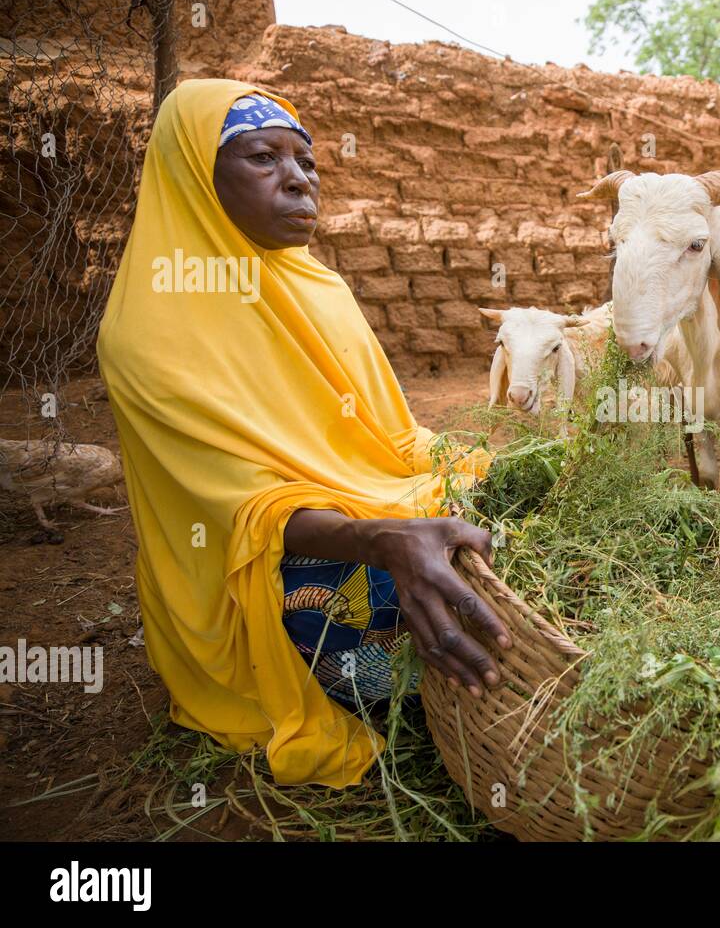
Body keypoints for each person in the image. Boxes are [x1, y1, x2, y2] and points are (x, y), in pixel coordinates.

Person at [96, 79, 510, 787]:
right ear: (196, 174)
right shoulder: (148, 331)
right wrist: (382, 536)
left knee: (511, 513)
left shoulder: (318, 288)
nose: (298, 181)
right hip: (261, 571)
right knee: (389, 600)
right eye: (264, 158)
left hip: (371, 512)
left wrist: (486, 470)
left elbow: (393, 439)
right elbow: (244, 515)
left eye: (307, 162)